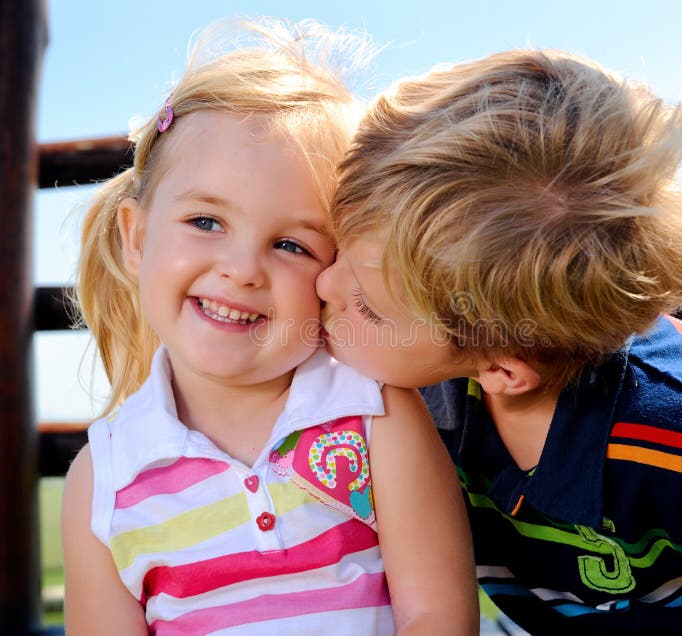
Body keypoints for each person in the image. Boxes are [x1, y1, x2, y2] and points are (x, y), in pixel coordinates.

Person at [316, 47, 682, 634]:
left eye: (368, 304)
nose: (323, 282)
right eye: (337, 248)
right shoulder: (428, 382)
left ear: (505, 369)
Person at [60, 18, 478, 635]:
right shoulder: (105, 481)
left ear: (338, 272)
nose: (242, 270)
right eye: (205, 222)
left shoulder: (374, 415)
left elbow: (439, 617)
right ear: (138, 238)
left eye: (290, 244)